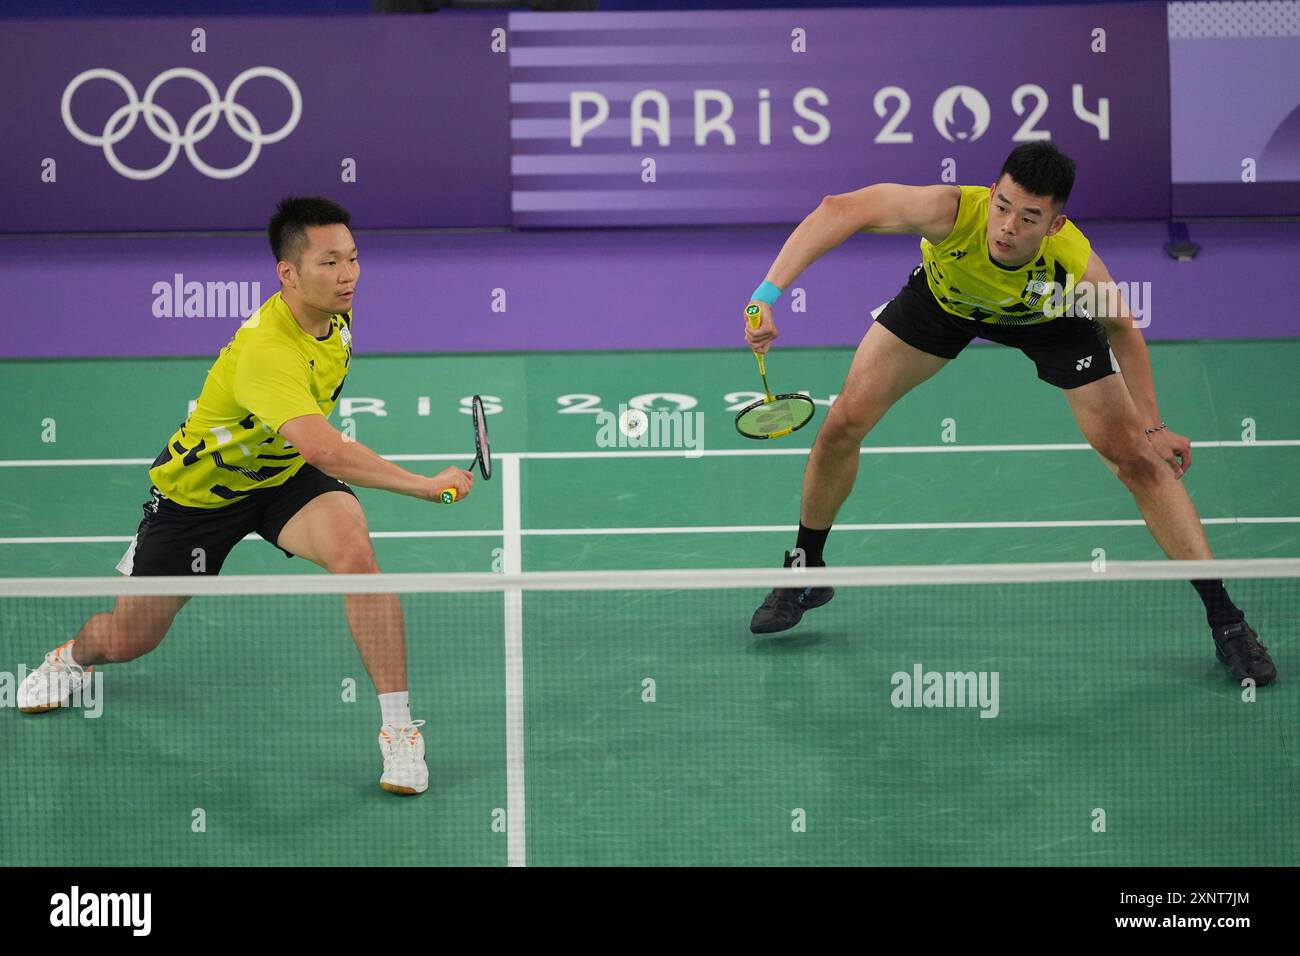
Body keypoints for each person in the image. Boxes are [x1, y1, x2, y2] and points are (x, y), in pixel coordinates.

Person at [744, 142, 1276, 687]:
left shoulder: (1073, 261)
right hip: (945, 303)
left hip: (1047, 319)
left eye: (1028, 218)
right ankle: (807, 572)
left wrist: (1154, 426)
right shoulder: (951, 212)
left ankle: (1227, 620)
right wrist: (767, 294)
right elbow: (841, 208)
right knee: (842, 424)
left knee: (1137, 461)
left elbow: (1121, 328)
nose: (1006, 226)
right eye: (1002, 206)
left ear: (1053, 223)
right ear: (992, 195)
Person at [17, 196, 475, 792]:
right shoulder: (267, 350)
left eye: (354, 259)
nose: (349, 275)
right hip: (198, 500)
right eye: (330, 264)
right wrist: (423, 486)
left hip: (280, 479)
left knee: (356, 557)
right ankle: (71, 657)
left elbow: (306, 451)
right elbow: (327, 451)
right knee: (131, 639)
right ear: (288, 273)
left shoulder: (333, 318)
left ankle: (398, 732)